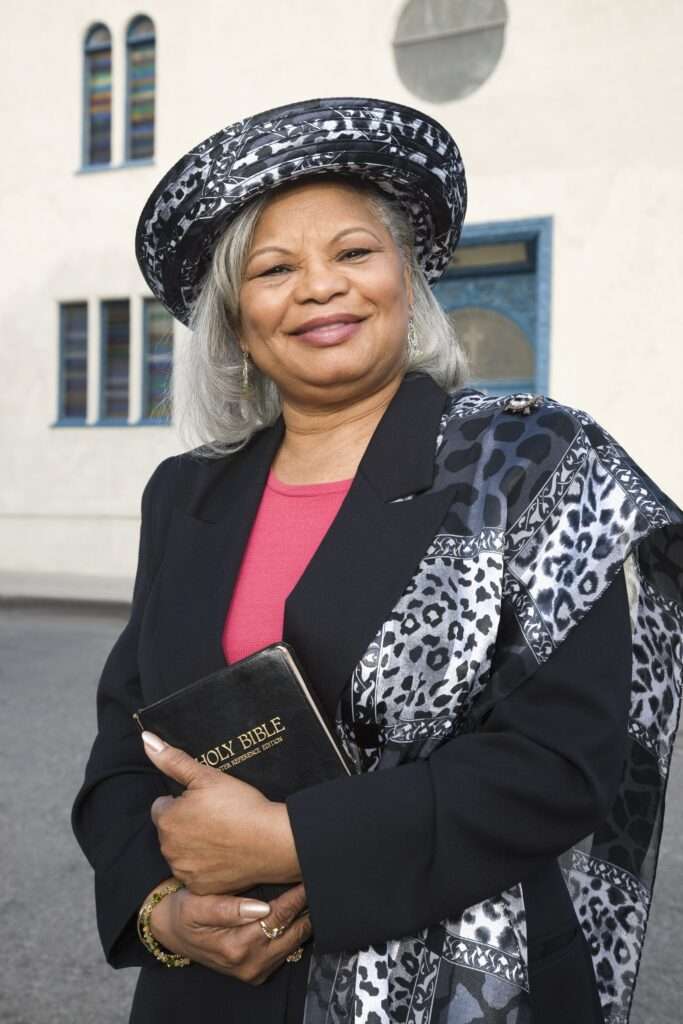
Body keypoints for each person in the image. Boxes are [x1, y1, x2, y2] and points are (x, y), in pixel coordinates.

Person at [72, 97, 683, 1024]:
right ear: (238, 324)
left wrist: (293, 840)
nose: (321, 288)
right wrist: (162, 912)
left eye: (354, 253)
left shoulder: (530, 466)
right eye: (275, 269)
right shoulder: (184, 495)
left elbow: (565, 764)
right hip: (214, 987)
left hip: (462, 980)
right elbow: (127, 746)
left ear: (409, 279)